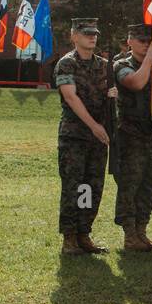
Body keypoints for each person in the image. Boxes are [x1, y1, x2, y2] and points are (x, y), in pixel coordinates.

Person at [54, 19, 118, 255]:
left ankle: (84, 233)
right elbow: (71, 97)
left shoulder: (104, 66)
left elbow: (109, 100)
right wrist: (93, 126)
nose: (92, 37)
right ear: (74, 36)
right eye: (87, 33)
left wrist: (113, 95)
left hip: (98, 138)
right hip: (75, 136)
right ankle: (69, 238)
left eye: (95, 34)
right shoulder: (66, 64)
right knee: (74, 186)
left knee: (91, 187)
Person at [112, 23, 152, 251]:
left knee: (150, 184)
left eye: (149, 41)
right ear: (129, 41)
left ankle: (142, 230)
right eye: (141, 40)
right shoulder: (122, 65)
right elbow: (136, 83)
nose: (146, 44)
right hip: (131, 134)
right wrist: (149, 59)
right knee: (131, 184)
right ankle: (129, 234)